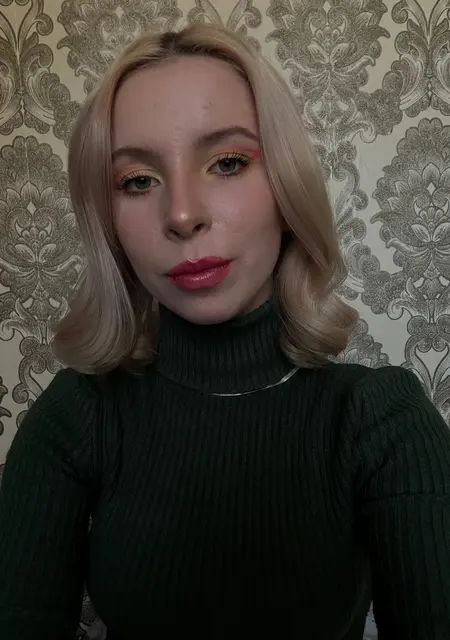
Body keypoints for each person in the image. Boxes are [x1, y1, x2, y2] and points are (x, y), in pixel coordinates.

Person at [0, 24, 449, 640]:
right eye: (138, 180)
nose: (183, 214)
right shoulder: (77, 417)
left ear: (286, 186)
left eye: (228, 163)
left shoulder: (380, 419)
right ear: (109, 222)